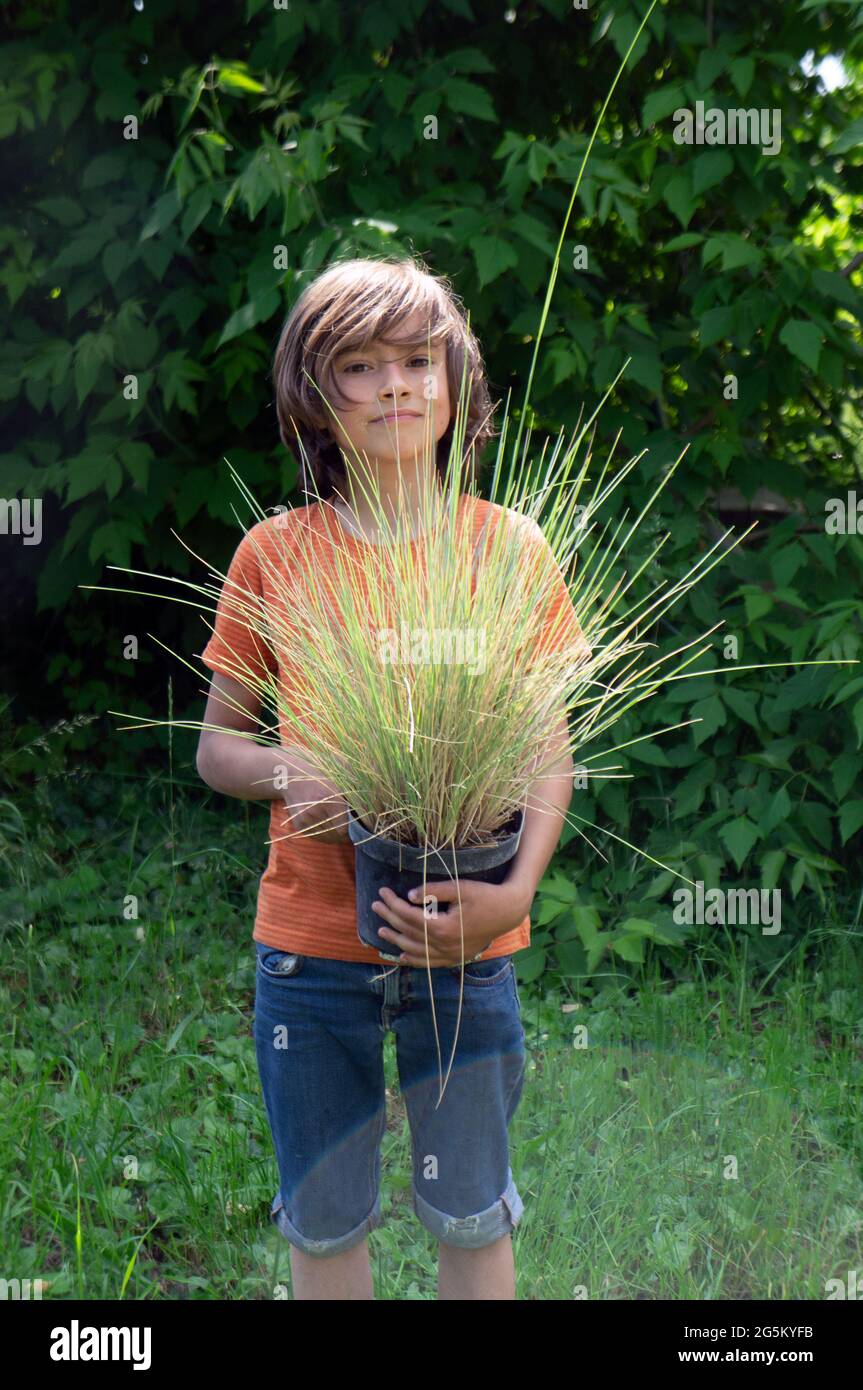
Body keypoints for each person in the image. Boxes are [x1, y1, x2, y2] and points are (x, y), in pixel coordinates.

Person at [195, 256, 589, 1299]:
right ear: (314, 399)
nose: (397, 385)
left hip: (470, 942)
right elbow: (216, 749)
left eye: (418, 359)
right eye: (361, 366)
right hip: (310, 955)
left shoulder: (505, 549)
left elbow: (549, 750)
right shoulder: (277, 554)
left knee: (471, 1209)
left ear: (455, 381)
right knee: (323, 1221)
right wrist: (292, 772)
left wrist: (512, 895)